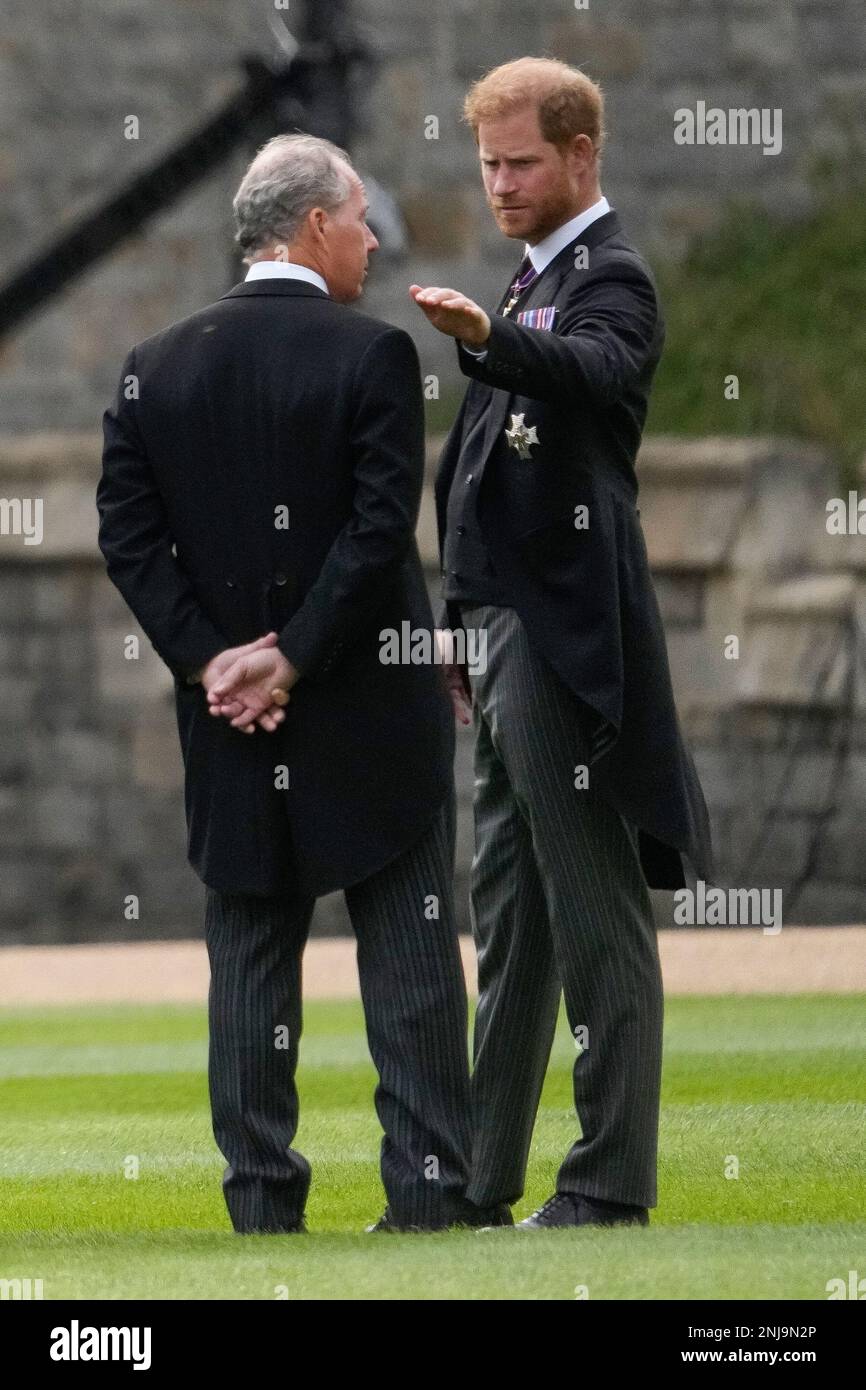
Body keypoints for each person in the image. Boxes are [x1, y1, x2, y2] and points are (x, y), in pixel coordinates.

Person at [97, 133, 488, 1235]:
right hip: (368, 707)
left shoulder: (150, 364)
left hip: (229, 720)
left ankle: (262, 1204)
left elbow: (128, 540)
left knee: (249, 971)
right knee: (409, 961)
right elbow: (376, 536)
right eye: (361, 218)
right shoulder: (368, 356)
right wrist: (295, 653)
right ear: (313, 226)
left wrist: (215, 660)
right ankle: (425, 1194)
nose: (371, 238)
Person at [411, 58, 715, 1229]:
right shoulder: (531, 278)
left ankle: (605, 1183)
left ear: (580, 155)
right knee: (513, 917)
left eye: (519, 161)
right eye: (486, 162)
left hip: (559, 642)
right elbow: (483, 480)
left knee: (592, 913)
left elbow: (595, 376)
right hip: (497, 635)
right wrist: (453, 622)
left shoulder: (610, 278)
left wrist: (491, 337)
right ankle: (477, 1181)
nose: (497, 182)